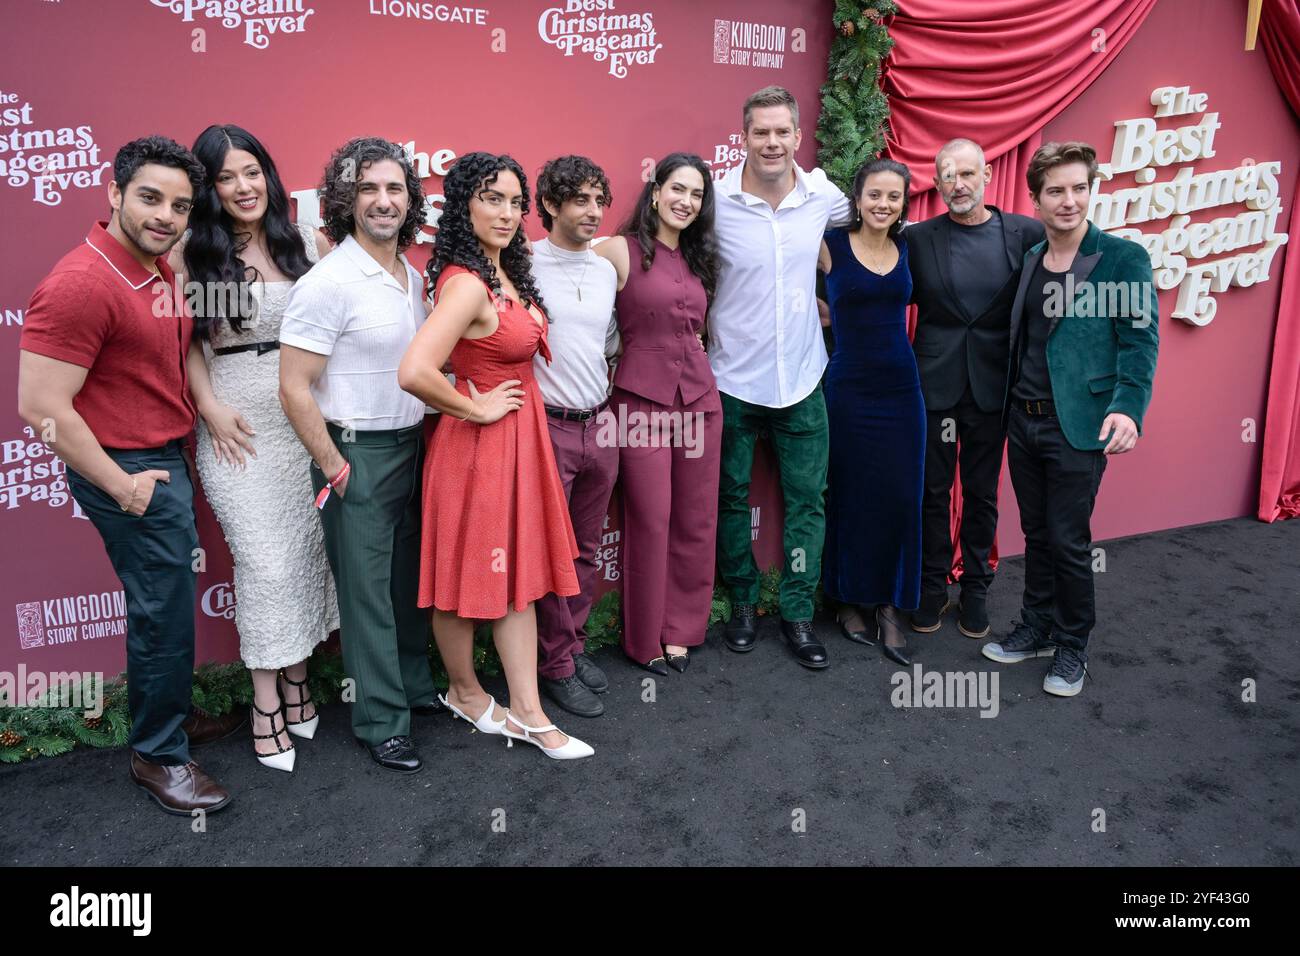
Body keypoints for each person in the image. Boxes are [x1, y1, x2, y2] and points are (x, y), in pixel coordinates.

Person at [17, 135, 241, 815]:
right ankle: (158, 755)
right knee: (161, 617)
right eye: (149, 197)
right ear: (114, 194)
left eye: (179, 205)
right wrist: (124, 486)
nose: (166, 215)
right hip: (129, 469)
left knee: (167, 608)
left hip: (163, 457)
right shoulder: (82, 283)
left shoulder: (153, 265)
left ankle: (167, 715)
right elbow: (40, 408)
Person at [398, 152, 593, 760]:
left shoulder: (507, 269)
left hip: (519, 443)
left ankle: (528, 711)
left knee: (519, 583)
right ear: (462, 205)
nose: (507, 213)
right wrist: (473, 409)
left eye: (515, 201)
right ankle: (467, 692)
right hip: (478, 449)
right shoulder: (464, 282)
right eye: (491, 198)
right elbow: (413, 371)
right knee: (465, 579)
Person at [175, 124, 339, 773]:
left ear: (268, 177)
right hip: (236, 427)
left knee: (302, 556)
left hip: (301, 421)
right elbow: (184, 342)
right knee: (265, 565)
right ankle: (265, 705)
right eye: (226, 177)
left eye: (252, 172)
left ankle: (299, 685)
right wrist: (209, 407)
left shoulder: (299, 241)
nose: (243, 186)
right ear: (209, 188)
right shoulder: (197, 252)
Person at [278, 137, 440, 773]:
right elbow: (293, 387)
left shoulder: (415, 275)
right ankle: (380, 722)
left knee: (406, 585)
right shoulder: (329, 282)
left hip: (412, 444)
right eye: (368, 189)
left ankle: (415, 688)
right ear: (345, 200)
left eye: (394, 188)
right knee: (367, 594)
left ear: (409, 199)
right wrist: (336, 467)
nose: (383, 200)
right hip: (356, 453)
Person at [982, 141, 1158, 697]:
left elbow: (1140, 341)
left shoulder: (1123, 259)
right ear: (1035, 199)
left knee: (1068, 537)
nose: (1069, 200)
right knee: (1036, 532)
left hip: (1079, 426)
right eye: (1056, 190)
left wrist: (1128, 407)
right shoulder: (1033, 260)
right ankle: (1036, 627)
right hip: (1024, 421)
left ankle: (1072, 645)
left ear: (1091, 189)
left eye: (1079, 188)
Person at [709, 85, 852, 669]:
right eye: (759, 132)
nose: (771, 143)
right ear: (742, 137)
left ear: (798, 137)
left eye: (781, 132)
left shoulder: (822, 195)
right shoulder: (712, 200)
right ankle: (742, 602)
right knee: (729, 497)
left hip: (802, 379)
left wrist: (835, 291)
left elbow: (875, 221)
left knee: (806, 504)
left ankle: (796, 612)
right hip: (730, 380)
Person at [906, 139, 1046, 639]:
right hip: (936, 387)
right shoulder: (918, 238)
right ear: (938, 182)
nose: (958, 184)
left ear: (986, 175)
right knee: (933, 492)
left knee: (983, 493)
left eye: (967, 173)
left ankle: (978, 588)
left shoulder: (1027, 233)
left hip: (993, 389)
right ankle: (931, 586)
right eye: (948, 175)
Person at [595, 153, 722, 676]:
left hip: (699, 401)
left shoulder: (699, 260)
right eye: (677, 189)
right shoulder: (617, 251)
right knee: (650, 520)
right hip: (639, 403)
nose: (685, 201)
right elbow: (560, 275)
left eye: (696, 194)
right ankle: (644, 637)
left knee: (695, 520)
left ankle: (683, 630)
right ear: (654, 192)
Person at [819, 158, 924, 665]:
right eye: (874, 195)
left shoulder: (909, 247)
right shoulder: (830, 246)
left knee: (901, 495)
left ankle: (889, 604)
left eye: (894, 197)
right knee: (852, 494)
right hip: (849, 387)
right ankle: (847, 598)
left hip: (903, 388)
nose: (884, 205)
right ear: (856, 199)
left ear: (904, 203)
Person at [530, 155, 619, 717]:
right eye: (579, 200)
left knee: (585, 552)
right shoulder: (524, 265)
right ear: (551, 205)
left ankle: (575, 644)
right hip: (549, 428)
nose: (591, 211)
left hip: (601, 423)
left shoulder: (608, 267)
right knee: (552, 555)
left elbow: (608, 343)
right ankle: (555, 666)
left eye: (597, 200)